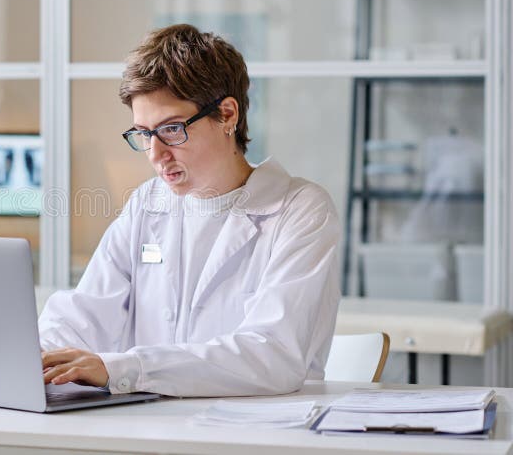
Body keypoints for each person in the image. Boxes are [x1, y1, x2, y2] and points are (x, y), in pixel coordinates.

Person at [39, 24, 341, 397]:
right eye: (144, 134)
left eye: (172, 129)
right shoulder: (148, 204)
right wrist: (37, 355)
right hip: (152, 427)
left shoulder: (301, 210)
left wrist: (124, 368)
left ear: (227, 115)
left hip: (260, 430)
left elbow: (271, 355)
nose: (155, 154)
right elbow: (83, 314)